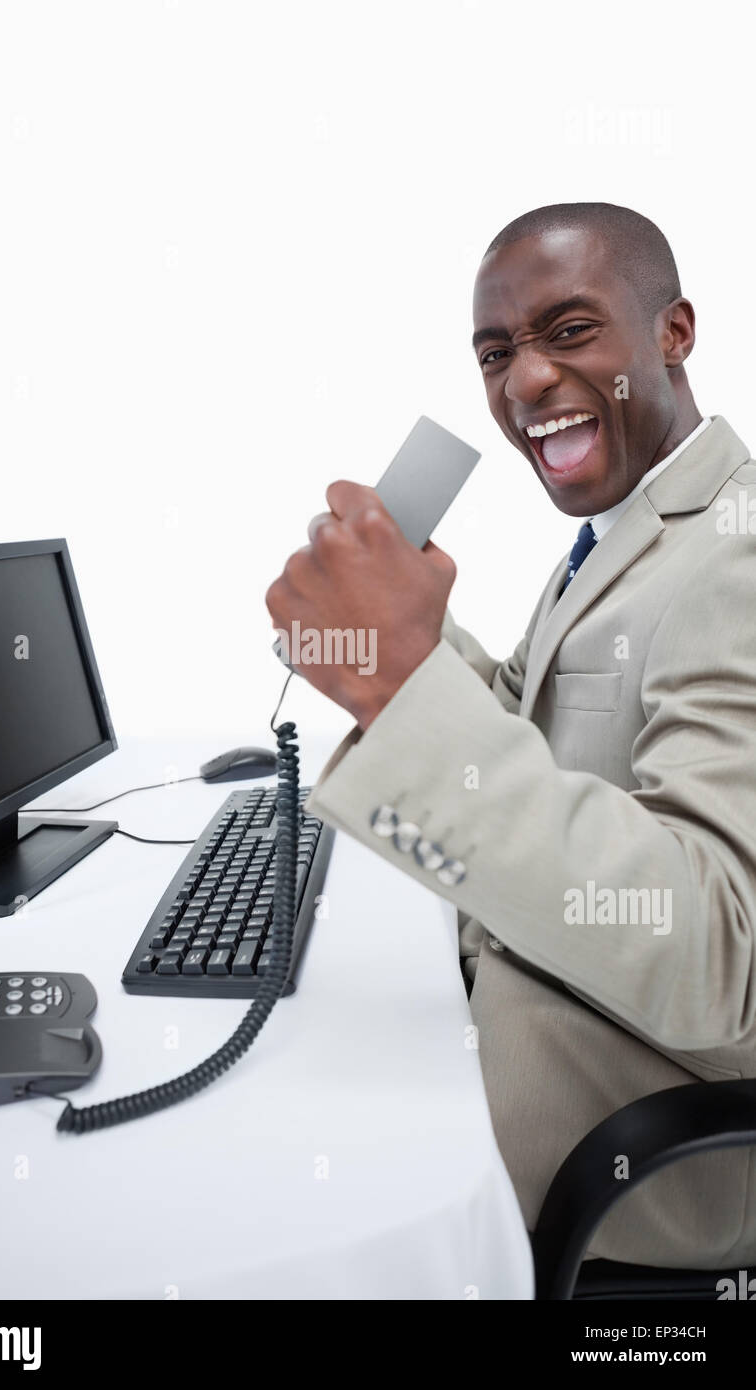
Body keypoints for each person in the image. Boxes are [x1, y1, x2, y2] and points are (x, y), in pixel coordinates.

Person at [265, 202, 756, 1268]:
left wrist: (395, 682)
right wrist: (414, 628)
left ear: (671, 332)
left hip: (632, 1145)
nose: (521, 381)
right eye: (494, 353)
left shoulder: (738, 547)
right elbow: (530, 719)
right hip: (513, 1007)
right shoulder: (619, 532)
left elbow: (723, 957)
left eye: (567, 331)